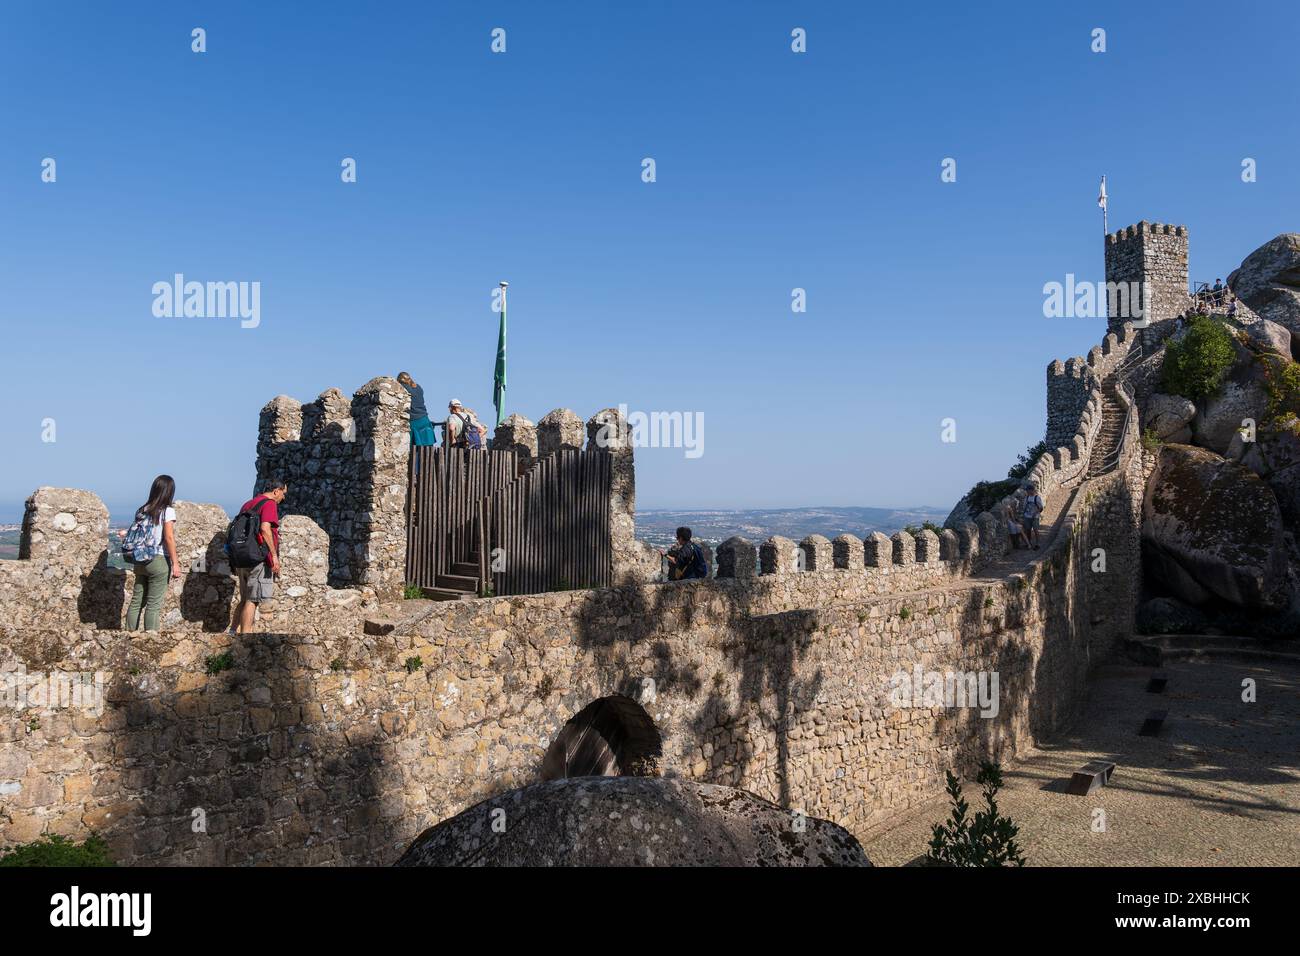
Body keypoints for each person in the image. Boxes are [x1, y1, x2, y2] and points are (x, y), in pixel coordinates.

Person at [120, 475, 180, 631]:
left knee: (136, 601)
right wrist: (175, 563)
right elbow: (168, 537)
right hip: (158, 560)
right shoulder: (167, 511)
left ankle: (129, 635)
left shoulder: (142, 510)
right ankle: (150, 639)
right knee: (153, 605)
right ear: (170, 492)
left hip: (140, 559)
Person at [231, 479, 287, 635]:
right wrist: (274, 556)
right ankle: (246, 637)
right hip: (258, 558)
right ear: (276, 491)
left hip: (241, 556)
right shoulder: (269, 504)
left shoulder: (248, 504)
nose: (283, 498)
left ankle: (232, 632)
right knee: (252, 600)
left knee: (244, 599)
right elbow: (264, 529)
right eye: (283, 493)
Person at [397, 372, 437, 447]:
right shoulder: (418, 387)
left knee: (415, 450)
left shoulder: (402, 388)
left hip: (414, 422)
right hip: (425, 419)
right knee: (428, 448)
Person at [1020, 482, 1045, 550]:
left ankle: (1037, 544)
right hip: (1027, 517)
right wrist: (1023, 516)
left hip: (1035, 517)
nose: (1026, 491)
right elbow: (1024, 507)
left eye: (1027, 490)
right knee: (1028, 530)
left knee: (1036, 530)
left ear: (1031, 490)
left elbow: (1041, 508)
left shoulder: (1037, 498)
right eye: (1026, 490)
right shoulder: (1027, 498)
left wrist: (1035, 513)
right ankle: (1029, 543)